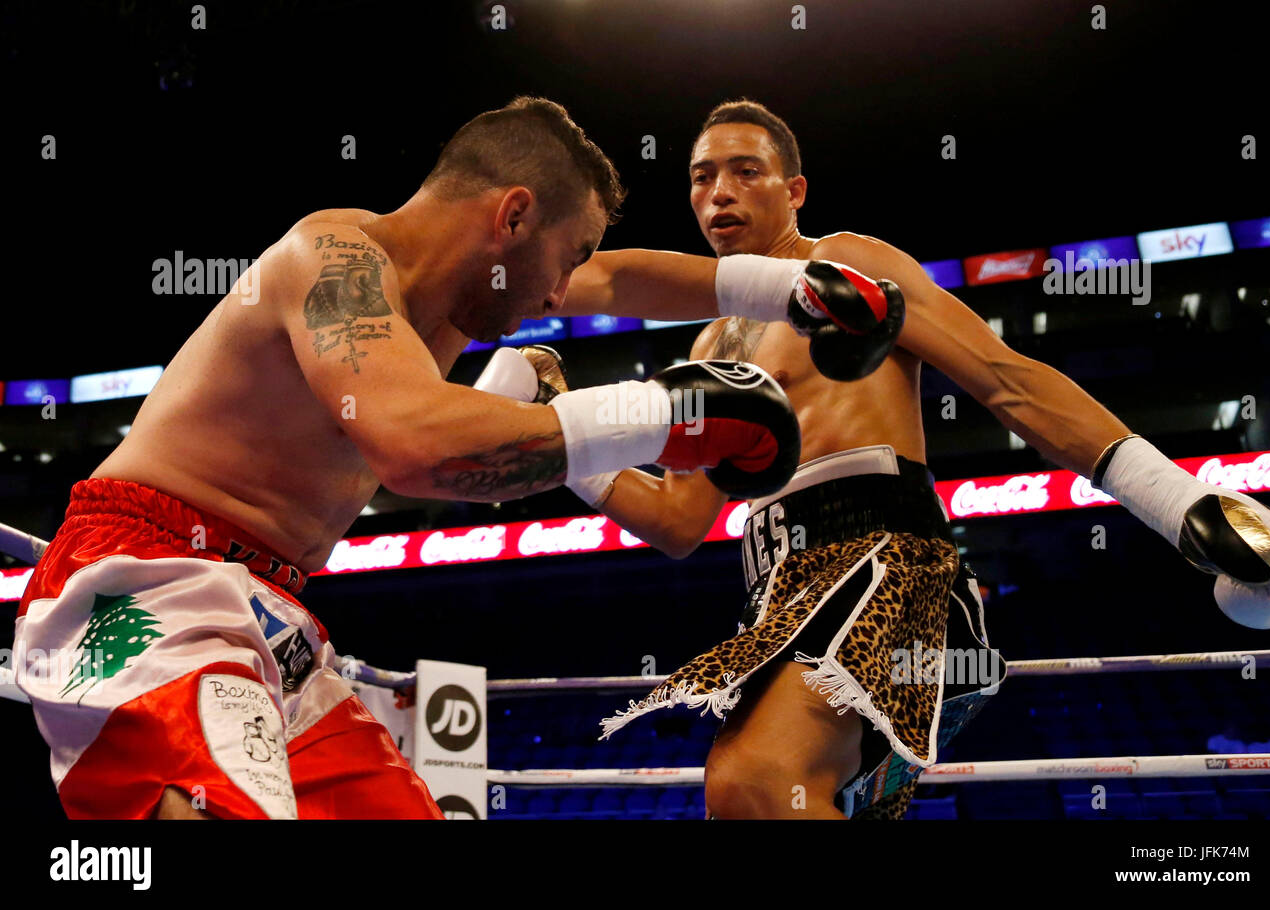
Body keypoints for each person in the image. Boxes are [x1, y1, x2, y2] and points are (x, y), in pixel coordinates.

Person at [15, 97, 888, 819]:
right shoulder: (335, 258)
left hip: (273, 615)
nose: (558, 295)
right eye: (564, 258)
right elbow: (418, 449)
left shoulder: (448, 314)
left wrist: (788, 285)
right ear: (511, 215)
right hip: (147, 584)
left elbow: (622, 285)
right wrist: (665, 414)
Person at [552, 99, 1270, 819]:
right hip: (778, 597)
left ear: (795, 189)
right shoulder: (708, 347)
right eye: (701, 175)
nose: (719, 192)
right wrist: (562, 443)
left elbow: (1006, 380)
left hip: (886, 565)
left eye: (746, 171)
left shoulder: (845, 267)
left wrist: (1177, 500)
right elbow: (680, 519)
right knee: (758, 798)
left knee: (752, 781)